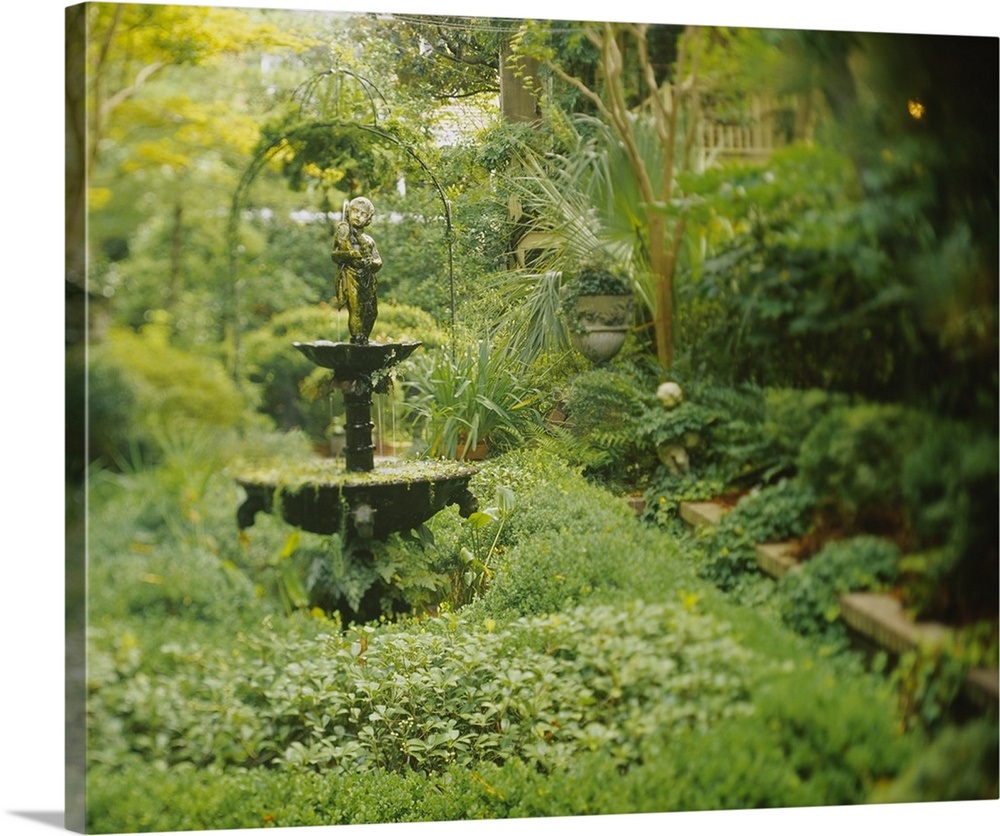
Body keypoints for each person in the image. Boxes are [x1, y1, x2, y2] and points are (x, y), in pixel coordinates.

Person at [332, 196, 382, 344]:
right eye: (355, 211)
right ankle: (357, 339)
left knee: (371, 311)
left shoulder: (368, 240)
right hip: (350, 276)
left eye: (363, 214)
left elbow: (378, 260)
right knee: (356, 310)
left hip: (367, 278)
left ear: (368, 219)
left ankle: (365, 338)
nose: (358, 216)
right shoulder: (344, 233)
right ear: (348, 212)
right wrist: (349, 254)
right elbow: (334, 255)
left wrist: (372, 263)